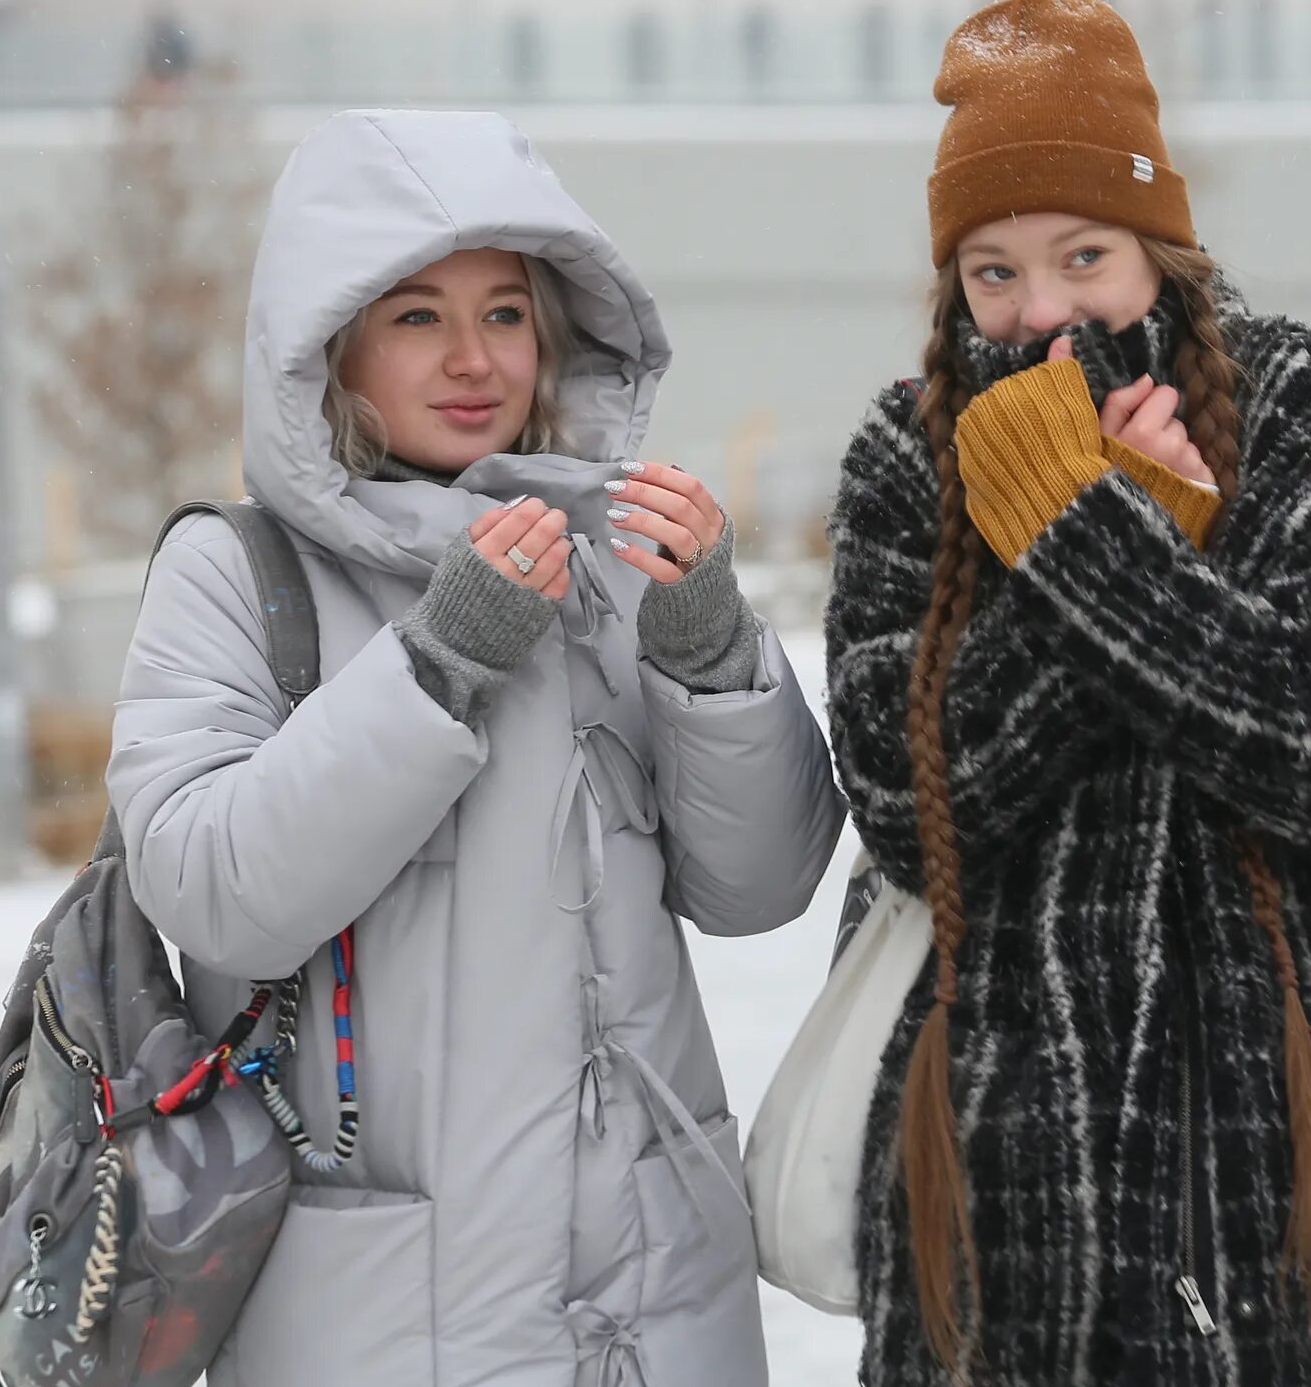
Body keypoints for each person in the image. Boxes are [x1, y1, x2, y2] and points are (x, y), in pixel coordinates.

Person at [825, 0, 1311, 1386]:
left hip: (1296, 1152)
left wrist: (1084, 536)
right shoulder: (909, 461)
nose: (1044, 311)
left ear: (1160, 249)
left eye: (1084, 255)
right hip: (1009, 1170)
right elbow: (909, 802)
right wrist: (1119, 529)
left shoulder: (1289, 408)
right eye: (994, 272)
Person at [107, 108, 842, 1387]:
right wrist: (438, 662)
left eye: (505, 312)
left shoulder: (612, 562)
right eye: (413, 316)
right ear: (325, 349)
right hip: (385, 1324)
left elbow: (760, 885)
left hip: (667, 1313)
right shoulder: (235, 573)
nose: (471, 357)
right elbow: (216, 893)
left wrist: (708, 642)